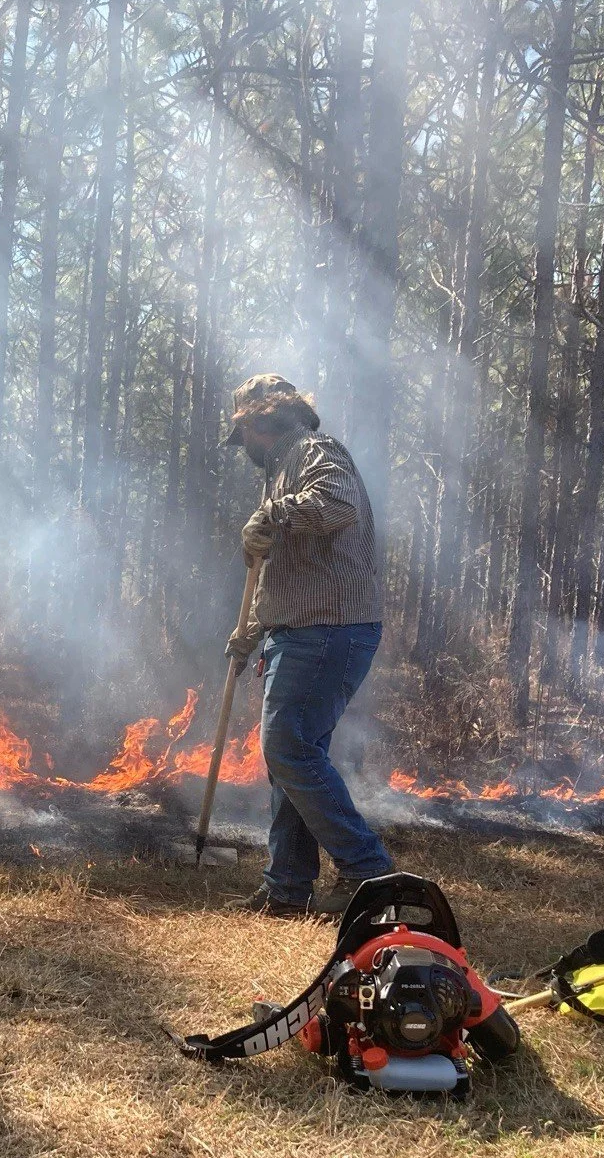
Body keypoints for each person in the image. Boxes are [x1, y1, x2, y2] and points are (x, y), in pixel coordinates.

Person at [222, 374, 395, 917]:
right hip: (300, 631)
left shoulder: (315, 451)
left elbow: (337, 503)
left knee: (289, 748)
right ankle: (287, 889)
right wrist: (252, 631)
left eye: (243, 434)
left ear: (259, 422)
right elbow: (282, 574)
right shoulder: (279, 472)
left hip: (327, 630)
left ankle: (371, 874)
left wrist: (273, 515)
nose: (243, 447)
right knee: (291, 759)